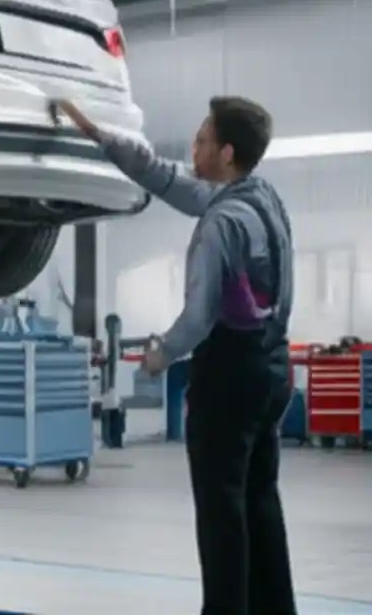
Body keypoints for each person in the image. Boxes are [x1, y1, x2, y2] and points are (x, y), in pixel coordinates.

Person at [56, 96, 296, 615]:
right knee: (259, 499)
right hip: (274, 371)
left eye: (203, 139)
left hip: (229, 379)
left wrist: (159, 355)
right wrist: (100, 135)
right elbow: (165, 178)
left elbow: (199, 316)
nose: (194, 145)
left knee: (220, 511)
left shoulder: (218, 227)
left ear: (226, 152)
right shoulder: (262, 199)